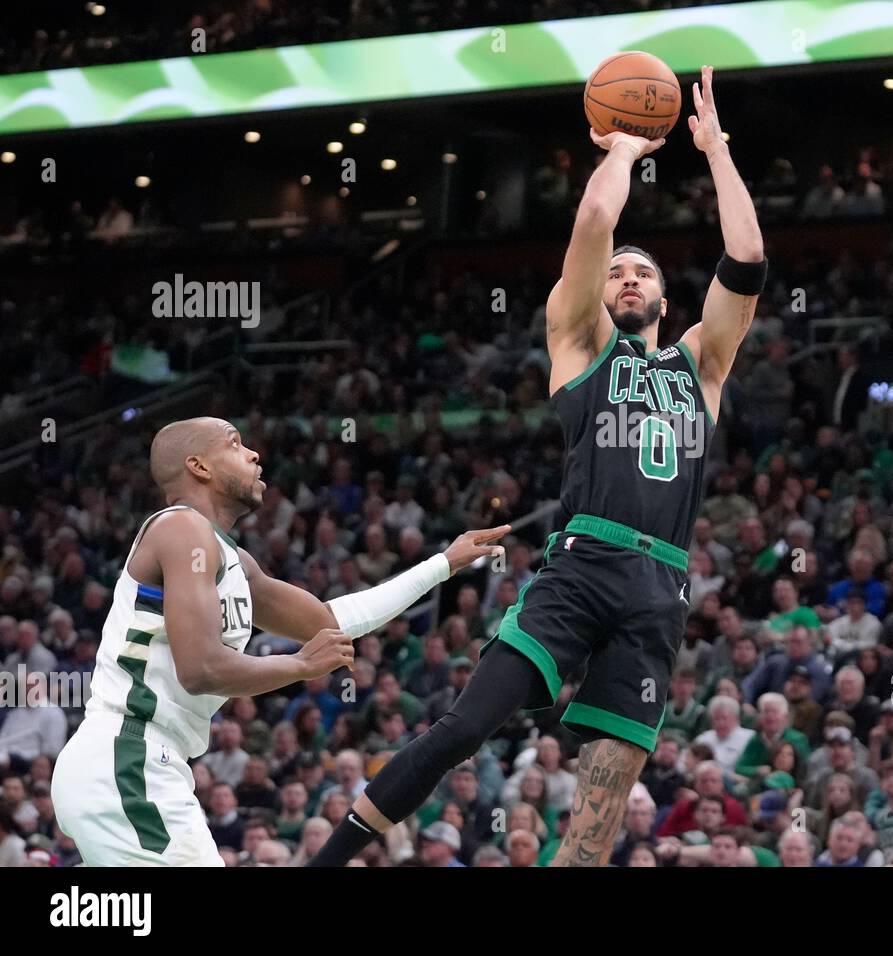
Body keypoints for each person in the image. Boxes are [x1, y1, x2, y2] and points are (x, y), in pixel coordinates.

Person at [310, 66, 767, 867]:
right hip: (582, 564)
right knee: (463, 728)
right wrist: (624, 151)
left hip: (659, 586)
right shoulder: (580, 343)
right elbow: (594, 220)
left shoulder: (702, 363)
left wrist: (715, 150)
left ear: (667, 297)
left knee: (603, 795)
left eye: (644, 271)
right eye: (618, 271)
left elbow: (750, 256)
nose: (627, 276)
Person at [49, 417, 505, 867]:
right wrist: (300, 666)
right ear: (199, 467)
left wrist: (443, 563)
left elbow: (331, 620)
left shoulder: (233, 560)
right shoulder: (181, 529)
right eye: (234, 444)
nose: (253, 454)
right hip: (128, 757)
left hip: (142, 763)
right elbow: (201, 668)